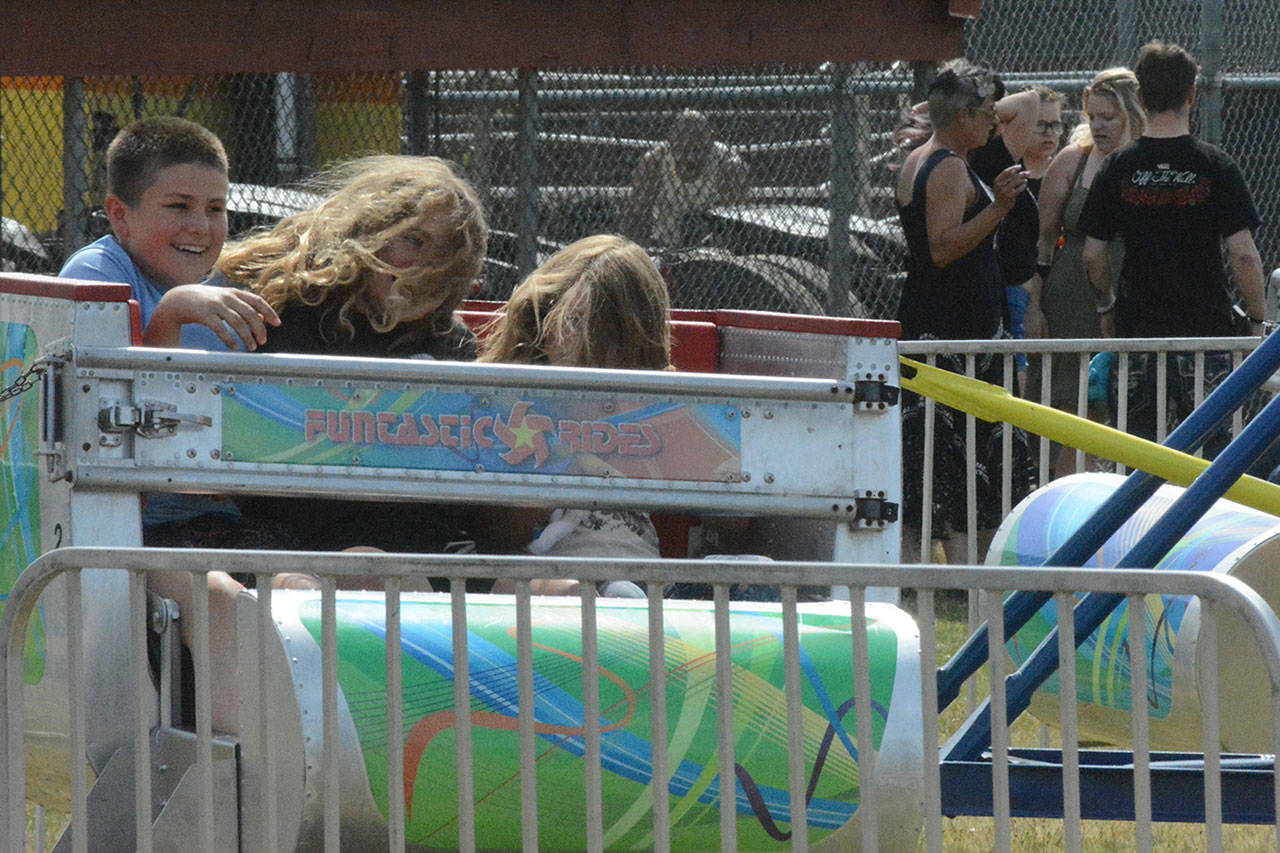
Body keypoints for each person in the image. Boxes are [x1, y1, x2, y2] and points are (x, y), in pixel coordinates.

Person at [57, 116, 281, 735]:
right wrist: (178, 314)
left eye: (215, 208)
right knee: (218, 601)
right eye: (177, 205)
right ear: (120, 215)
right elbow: (119, 429)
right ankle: (232, 785)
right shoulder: (98, 276)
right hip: (121, 527)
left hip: (211, 519)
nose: (200, 226)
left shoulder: (219, 297)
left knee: (306, 583)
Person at [222, 154, 490, 554]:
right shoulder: (288, 317)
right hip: (315, 539)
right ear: (368, 232)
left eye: (449, 255)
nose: (427, 266)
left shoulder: (453, 346)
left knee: (555, 587)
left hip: (435, 541)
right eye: (414, 240)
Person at [1080, 41, 1266, 453]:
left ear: (1141, 98)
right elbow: (1244, 254)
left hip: (1138, 333)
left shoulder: (1118, 167)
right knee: (1218, 456)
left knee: (1136, 454)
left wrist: (1106, 308)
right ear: (1193, 93)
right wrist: (1256, 317)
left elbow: (1093, 253)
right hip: (1206, 334)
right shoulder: (1216, 166)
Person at [895, 58, 1036, 546]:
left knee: (937, 466)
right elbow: (942, 247)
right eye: (985, 114)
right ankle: (963, 575)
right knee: (946, 463)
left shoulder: (930, 156)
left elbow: (1023, 105)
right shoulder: (947, 165)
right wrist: (998, 209)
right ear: (962, 117)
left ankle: (953, 575)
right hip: (951, 337)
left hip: (950, 329)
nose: (995, 123)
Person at [480, 234, 670, 597]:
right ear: (544, 320)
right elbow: (496, 536)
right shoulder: (509, 405)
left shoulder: (658, 406)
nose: (582, 344)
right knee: (587, 595)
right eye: (574, 321)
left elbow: (727, 516)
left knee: (753, 570)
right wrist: (546, 462)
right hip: (550, 573)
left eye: (609, 334)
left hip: (641, 572)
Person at [1031, 68, 1145, 477]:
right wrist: (1034, 305)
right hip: (1072, 296)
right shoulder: (1073, 161)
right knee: (1072, 405)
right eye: (1092, 116)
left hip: (1133, 292)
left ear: (1134, 113)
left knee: (1126, 404)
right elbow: (1043, 242)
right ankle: (1062, 495)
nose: (1097, 125)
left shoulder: (1148, 163)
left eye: (1109, 118)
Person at [623, 110, 748, 247]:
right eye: (684, 150)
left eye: (697, 149)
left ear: (711, 140)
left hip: (714, 244)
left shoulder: (726, 162)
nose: (690, 157)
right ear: (672, 141)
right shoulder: (656, 161)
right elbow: (636, 212)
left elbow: (737, 214)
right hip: (664, 242)